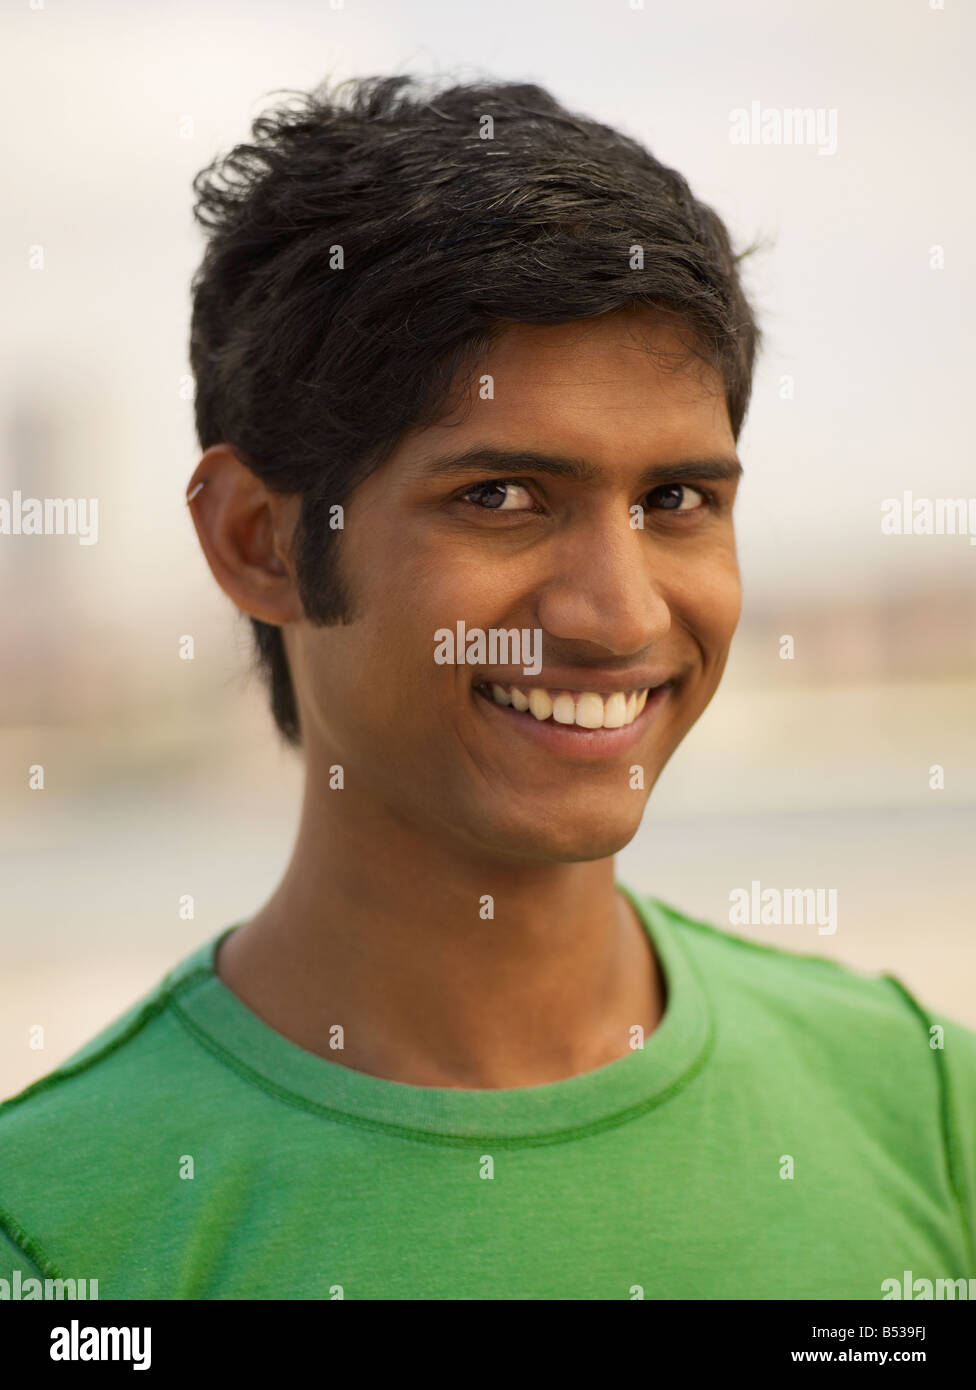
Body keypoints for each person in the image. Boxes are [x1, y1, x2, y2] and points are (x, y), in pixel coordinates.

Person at [2, 74, 973, 1302]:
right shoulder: (54, 1241)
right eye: (500, 497)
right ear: (259, 540)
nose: (619, 613)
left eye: (674, 500)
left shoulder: (925, 1103)